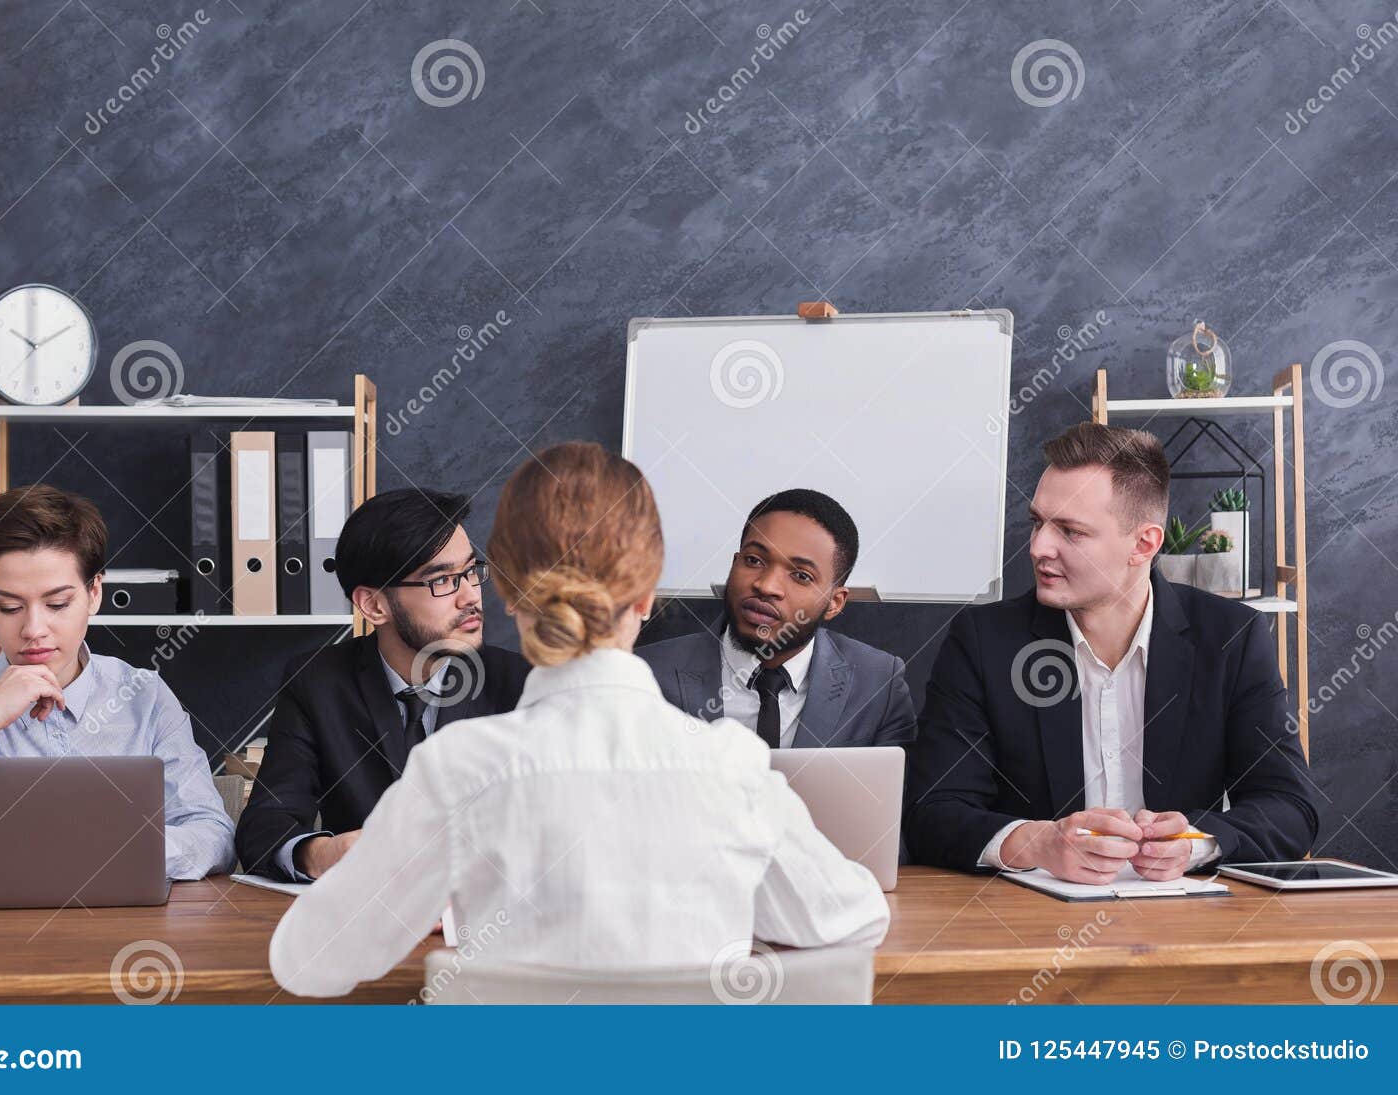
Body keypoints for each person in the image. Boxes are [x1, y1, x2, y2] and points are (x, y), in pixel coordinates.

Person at [269, 442, 889, 998]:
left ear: (509, 595)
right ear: (647, 598)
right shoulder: (732, 769)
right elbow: (856, 917)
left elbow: (305, 964)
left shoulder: (457, 770)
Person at [905, 423, 1318, 882]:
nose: (1040, 547)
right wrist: (1038, 842)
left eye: (1070, 531)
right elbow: (932, 811)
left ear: (1144, 544)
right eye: (1037, 522)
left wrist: (1195, 844)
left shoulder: (1231, 637)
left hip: (1182, 924)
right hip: (1029, 926)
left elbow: (1292, 807)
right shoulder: (983, 640)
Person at [0, 485, 235, 891]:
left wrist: (109, 850)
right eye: (10, 607)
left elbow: (212, 832)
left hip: (122, 935)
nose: (34, 630)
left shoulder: (145, 697)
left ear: (93, 594)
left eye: (57, 604)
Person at [234, 488, 530, 881]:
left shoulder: (522, 684)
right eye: (442, 580)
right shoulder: (317, 682)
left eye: (470, 572)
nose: (470, 597)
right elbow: (265, 825)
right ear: (374, 605)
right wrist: (323, 854)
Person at [638, 489, 915, 750]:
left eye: (801, 576)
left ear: (835, 602)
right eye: (754, 560)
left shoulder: (878, 685)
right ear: (734, 563)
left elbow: (889, 798)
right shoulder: (646, 673)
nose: (767, 586)